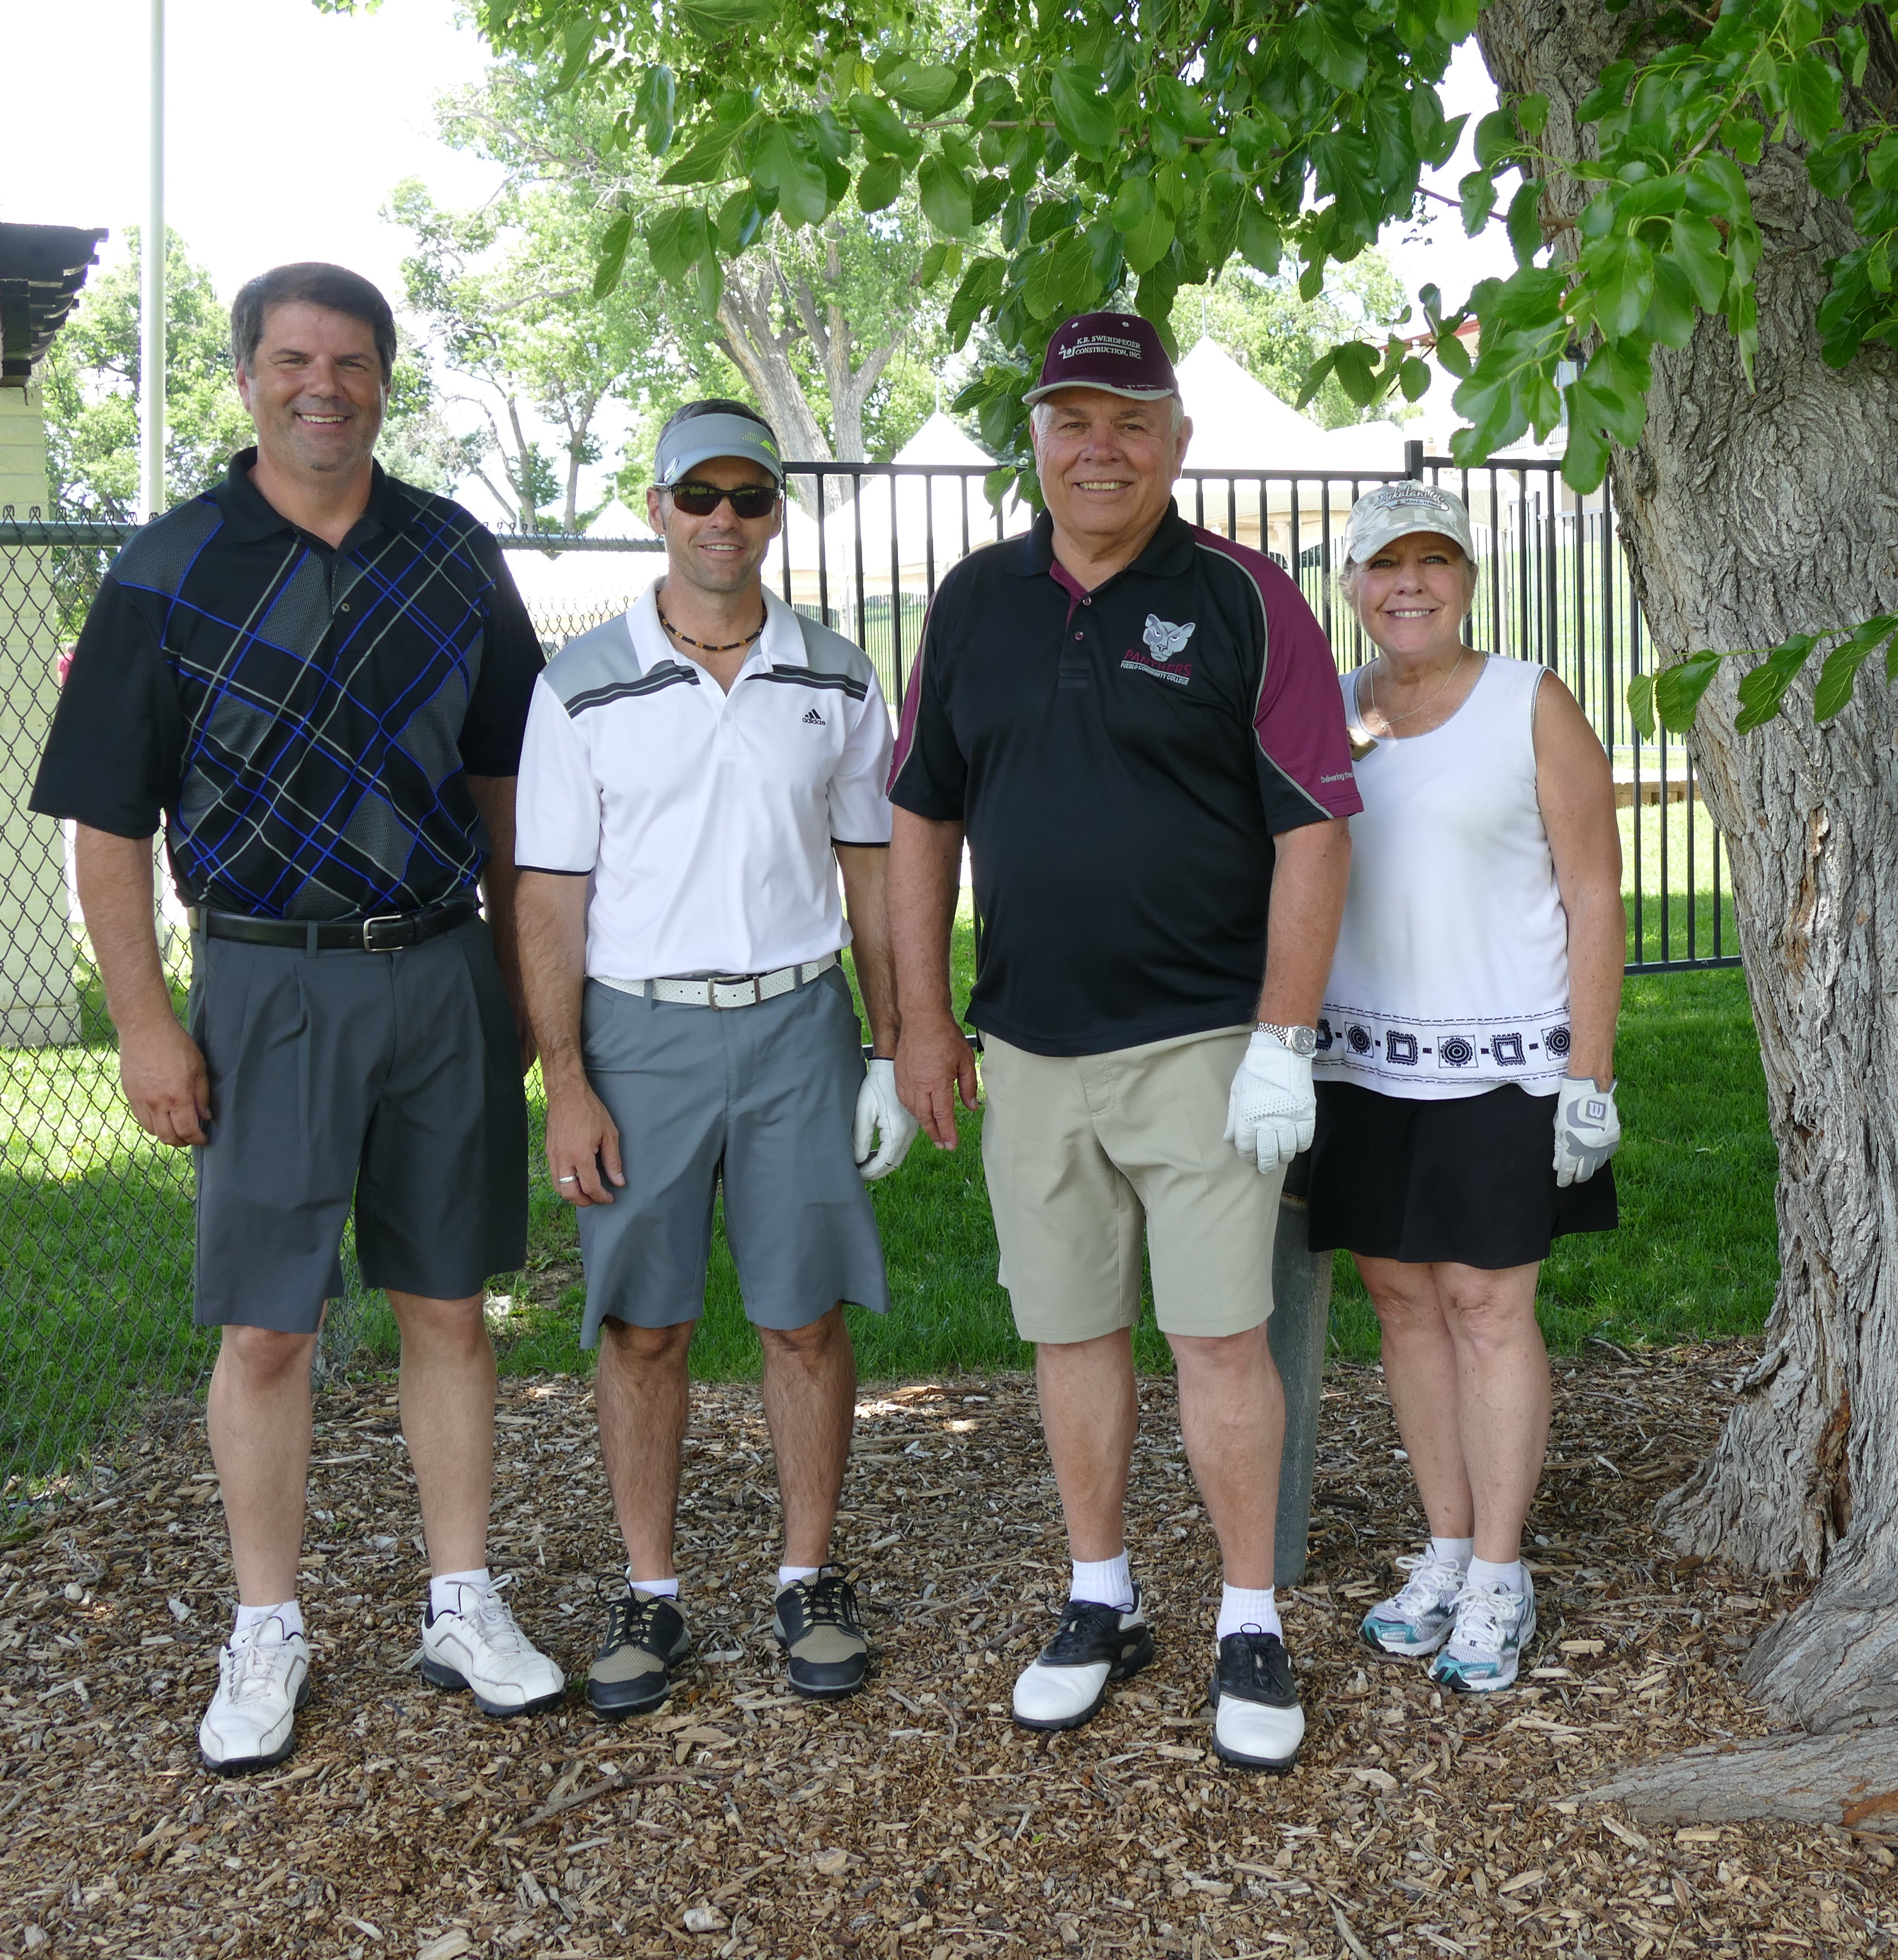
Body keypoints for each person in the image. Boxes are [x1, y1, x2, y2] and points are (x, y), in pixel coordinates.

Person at [30, 263, 563, 1774]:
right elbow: (108, 824)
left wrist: (522, 986)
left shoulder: (451, 552)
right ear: (249, 377)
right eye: (292, 360)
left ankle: (462, 1601)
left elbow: (510, 788)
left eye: (352, 363)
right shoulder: (171, 565)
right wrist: (145, 1025)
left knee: (447, 1304)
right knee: (270, 1327)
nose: (322, 387)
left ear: (385, 381)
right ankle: (266, 1627)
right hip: (267, 981)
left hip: (443, 968)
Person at [887, 313, 1361, 1773]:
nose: (1101, 447)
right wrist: (920, 1022)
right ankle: (1101, 1595)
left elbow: (1315, 825)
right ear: (1034, 438)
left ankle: (1247, 1616)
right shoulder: (973, 601)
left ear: (1176, 440)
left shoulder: (1243, 596)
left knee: (1217, 1337)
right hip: (1030, 1050)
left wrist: (1282, 1037)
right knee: (1069, 1331)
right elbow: (921, 814)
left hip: (1203, 1043)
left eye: (1131, 420)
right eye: (1072, 419)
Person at [514, 400, 914, 1717]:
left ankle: (809, 1576)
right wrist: (566, 1080)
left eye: (749, 497)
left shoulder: (836, 676)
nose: (723, 520)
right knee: (647, 1325)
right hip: (640, 1031)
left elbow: (874, 871)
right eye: (699, 496)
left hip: (799, 1021)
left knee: (804, 1317)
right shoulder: (580, 683)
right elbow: (549, 895)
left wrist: (892, 1043)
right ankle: (652, 1590)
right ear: (658, 508)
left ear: (776, 513)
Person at [1307, 481, 1624, 1692]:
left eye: (1433, 562)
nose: (1410, 586)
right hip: (1360, 1060)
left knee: (1488, 1308)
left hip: (1505, 1062)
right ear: (1351, 585)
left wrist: (1589, 1073)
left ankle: (1501, 1572)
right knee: (1401, 1304)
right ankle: (1444, 1550)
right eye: (1384, 565)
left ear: (1468, 579)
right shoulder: (1330, 714)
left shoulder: (1529, 701)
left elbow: (1593, 890)